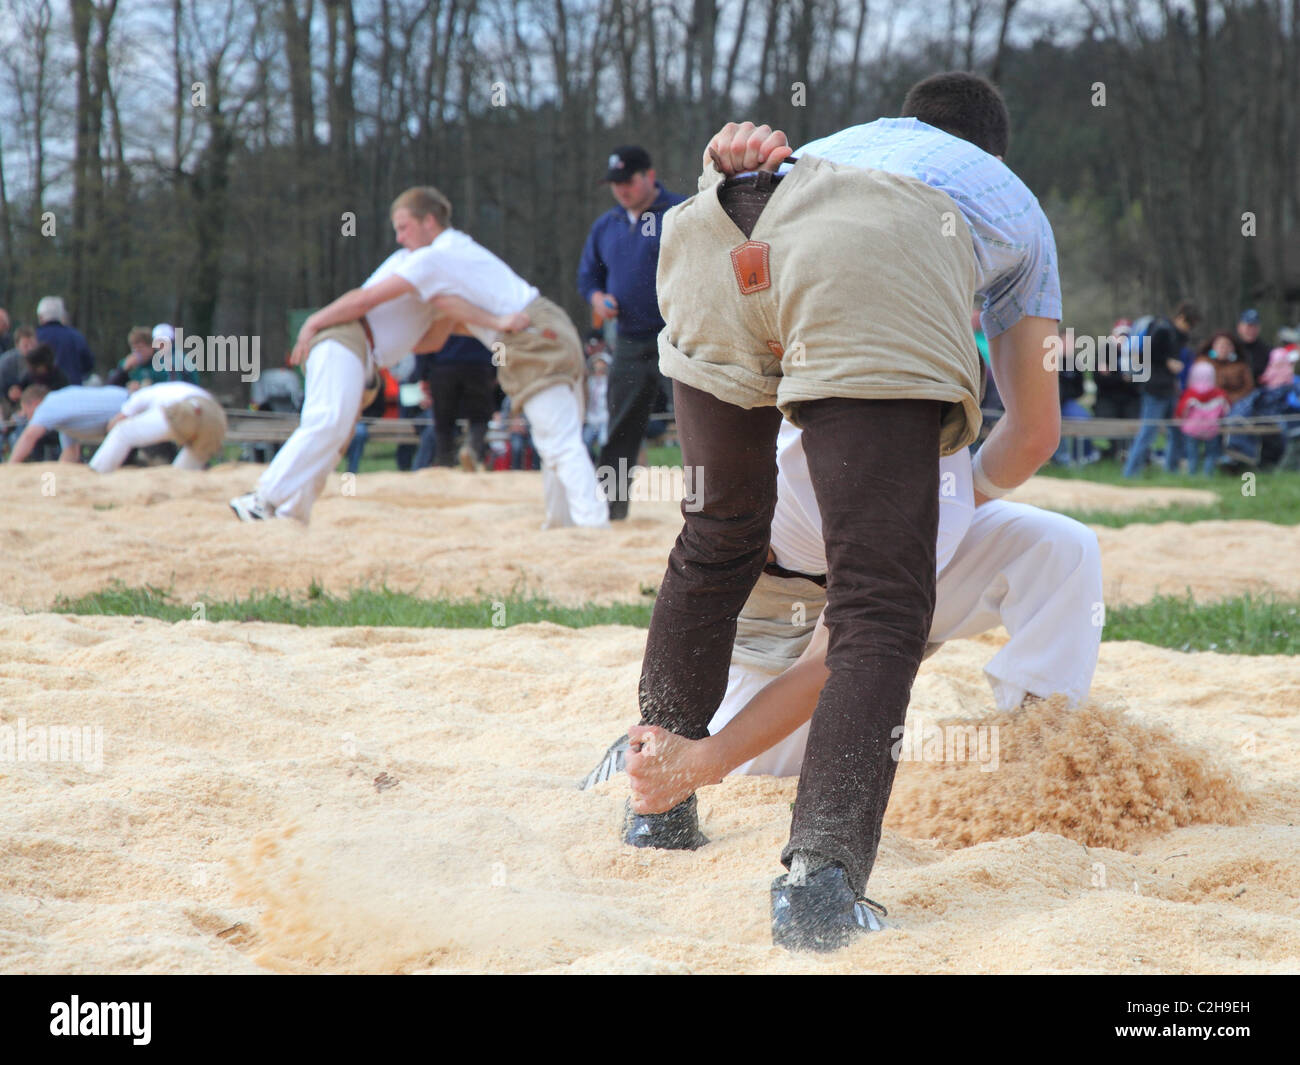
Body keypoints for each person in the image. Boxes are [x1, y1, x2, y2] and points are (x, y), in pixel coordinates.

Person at [623, 72, 1062, 953]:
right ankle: (821, 879)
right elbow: (1036, 430)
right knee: (880, 603)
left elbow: (748, 171)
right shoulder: (1014, 208)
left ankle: (656, 804)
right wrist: (948, 495)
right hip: (875, 255)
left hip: (719, 226)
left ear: (908, 120)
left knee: (716, 535)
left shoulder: (844, 142)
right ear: (993, 151)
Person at [588, 422, 1101, 799]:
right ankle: (640, 750)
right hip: (784, 618)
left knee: (1060, 545)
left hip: (889, 566)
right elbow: (828, 656)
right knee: (755, 778)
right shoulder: (788, 463)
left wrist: (941, 520)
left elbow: (1034, 434)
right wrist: (706, 758)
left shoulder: (934, 470)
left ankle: (1045, 753)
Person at [577, 146, 685, 519]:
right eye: (615, 184)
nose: (621, 189)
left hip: (679, 338)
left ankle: (708, 510)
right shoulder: (606, 225)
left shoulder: (680, 213)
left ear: (649, 176)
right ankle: (609, 510)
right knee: (620, 428)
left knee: (695, 424)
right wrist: (598, 297)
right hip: (627, 340)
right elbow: (588, 277)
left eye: (627, 181)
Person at [1122, 302, 1200, 477]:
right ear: (1180, 318)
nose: (1189, 329)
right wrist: (1167, 362)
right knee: (1148, 433)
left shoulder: (1177, 334)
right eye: (1189, 324)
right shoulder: (1162, 329)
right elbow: (1145, 354)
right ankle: (1130, 473)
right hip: (1154, 389)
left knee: (1176, 431)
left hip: (1169, 389)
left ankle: (1171, 471)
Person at [88, 381, 227, 472]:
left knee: (122, 432)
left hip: (187, 409)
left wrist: (108, 431)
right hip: (216, 418)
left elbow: (118, 421)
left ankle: (97, 472)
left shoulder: (140, 395)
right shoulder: (170, 388)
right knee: (182, 472)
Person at [7, 383, 128, 464]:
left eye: (25, 410)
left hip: (131, 408)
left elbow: (28, 437)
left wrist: (9, 468)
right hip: (127, 406)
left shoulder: (48, 405)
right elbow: (70, 453)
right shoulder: (62, 417)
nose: (25, 416)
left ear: (33, 403)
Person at [426, 333, 495, 469]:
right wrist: (499, 367)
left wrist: (422, 372)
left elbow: (427, 332)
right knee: (480, 417)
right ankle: (472, 449)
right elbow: (500, 337)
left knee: (443, 420)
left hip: (442, 364)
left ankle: (445, 462)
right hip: (479, 364)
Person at [1175, 359, 1229, 475]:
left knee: (1192, 454)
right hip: (1211, 429)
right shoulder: (1218, 393)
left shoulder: (1190, 393)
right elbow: (1226, 410)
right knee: (1211, 453)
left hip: (1191, 430)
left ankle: (1192, 475)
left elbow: (1180, 411)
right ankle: (1208, 475)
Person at [34, 296, 95, 385]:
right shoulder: (76, 336)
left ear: (41, 317)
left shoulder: (35, 337)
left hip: (43, 392)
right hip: (72, 390)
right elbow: (88, 364)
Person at [1, 325, 38, 419]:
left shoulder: (40, 362)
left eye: (32, 345)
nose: (30, 349)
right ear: (17, 345)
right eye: (26, 346)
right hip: (9, 408)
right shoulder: (6, 362)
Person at [1235, 309, 1270, 383]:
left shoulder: (1266, 350)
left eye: (1255, 327)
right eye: (1249, 326)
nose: (1252, 330)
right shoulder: (1232, 347)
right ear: (1239, 327)